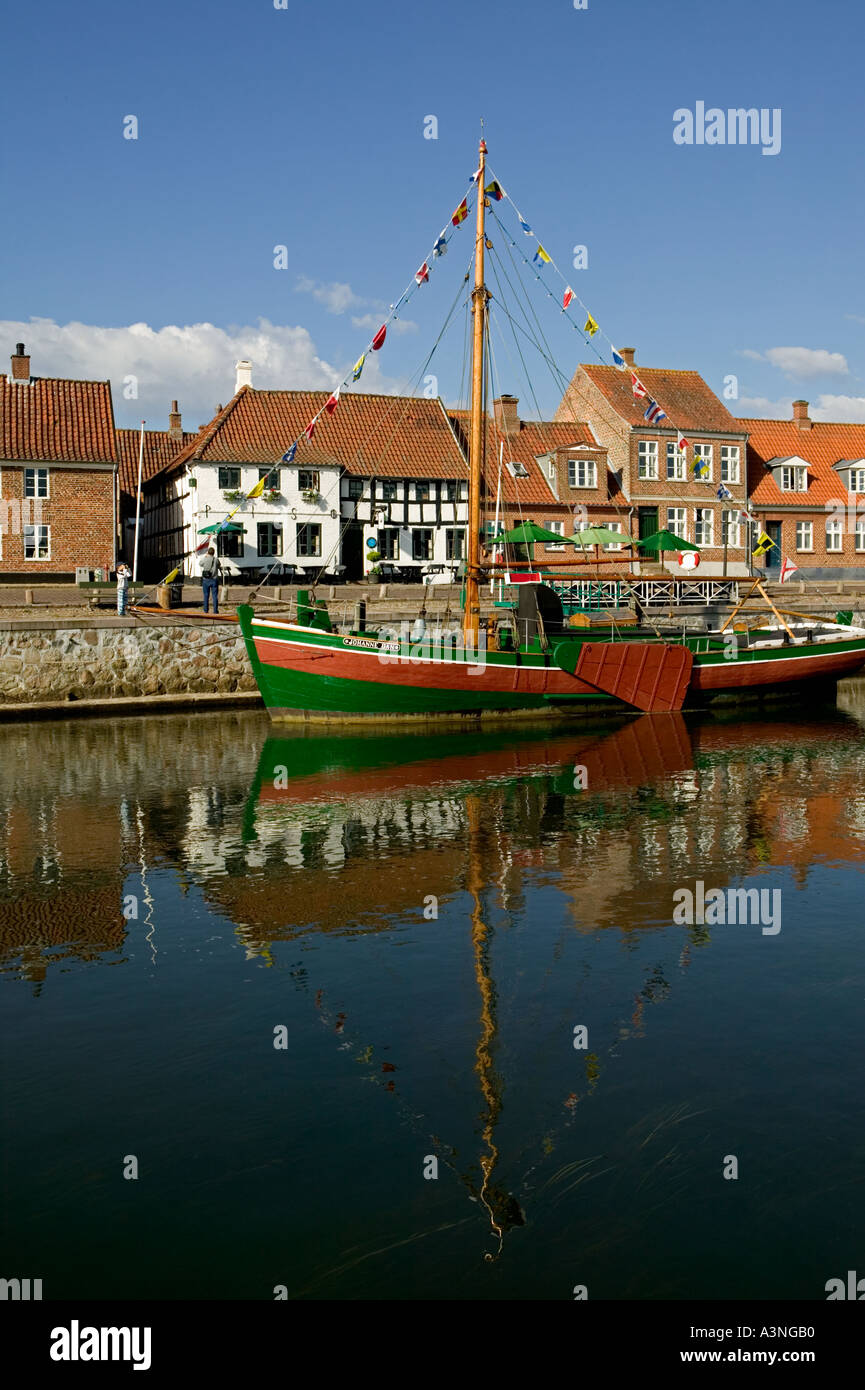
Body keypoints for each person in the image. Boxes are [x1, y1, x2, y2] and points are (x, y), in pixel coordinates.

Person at [200, 547, 221, 614]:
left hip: (206, 580)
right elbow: (219, 565)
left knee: (206, 595)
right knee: (214, 596)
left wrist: (205, 557)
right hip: (214, 579)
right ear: (214, 553)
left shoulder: (205, 558)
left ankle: (206, 610)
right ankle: (215, 611)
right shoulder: (216, 559)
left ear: (208, 552)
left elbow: (200, 564)